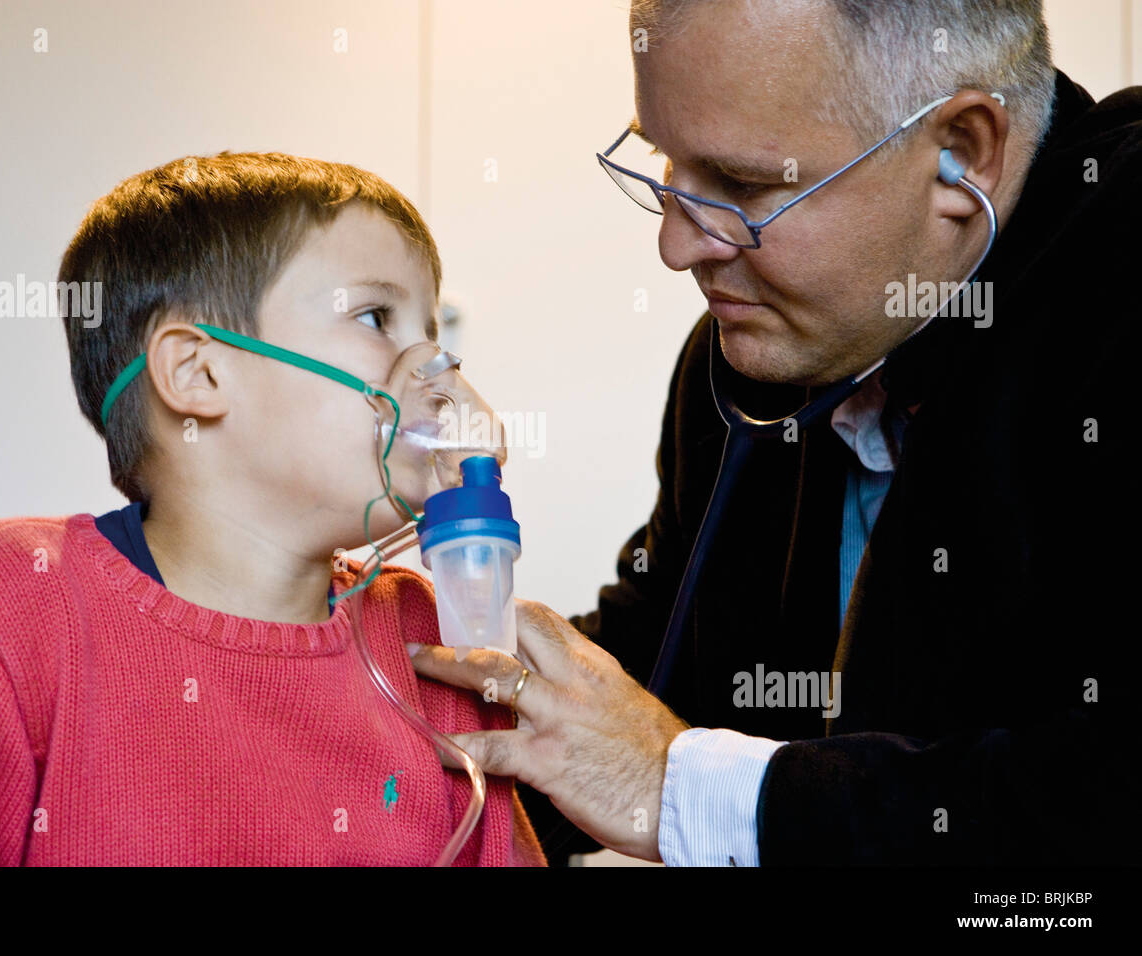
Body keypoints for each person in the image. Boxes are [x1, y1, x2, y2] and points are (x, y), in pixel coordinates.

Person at [409, 0, 1142, 865]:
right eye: (665, 163)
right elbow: (655, 658)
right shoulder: (757, 354)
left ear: (962, 153)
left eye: (746, 186)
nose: (676, 248)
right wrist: (375, 718)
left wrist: (675, 784)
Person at [0, 152, 546, 866]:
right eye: (376, 317)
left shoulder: (425, 640)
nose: (437, 371)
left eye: (433, 333)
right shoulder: (19, 604)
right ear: (198, 372)